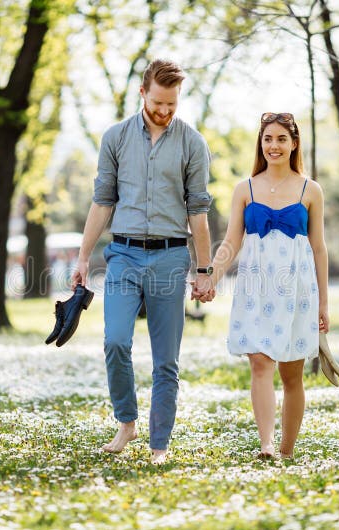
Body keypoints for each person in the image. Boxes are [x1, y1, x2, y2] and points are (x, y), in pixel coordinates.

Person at [71, 59, 214, 465]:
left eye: (172, 104)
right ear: (142, 93)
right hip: (124, 255)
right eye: (158, 103)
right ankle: (127, 421)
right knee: (115, 340)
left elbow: (198, 212)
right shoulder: (115, 138)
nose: (165, 111)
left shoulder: (193, 143)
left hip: (171, 256)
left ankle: (159, 445)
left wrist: (203, 271)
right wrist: (83, 258)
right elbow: (102, 201)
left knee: (166, 360)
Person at [207, 112, 329, 459]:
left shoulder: (311, 190)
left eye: (281, 139)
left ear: (294, 144)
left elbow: (319, 249)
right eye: (267, 139)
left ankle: (287, 450)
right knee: (260, 363)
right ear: (260, 144)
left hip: (297, 291)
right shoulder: (244, 189)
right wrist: (211, 278)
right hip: (256, 288)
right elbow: (231, 241)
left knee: (292, 374)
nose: (273, 146)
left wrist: (323, 304)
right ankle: (266, 445)